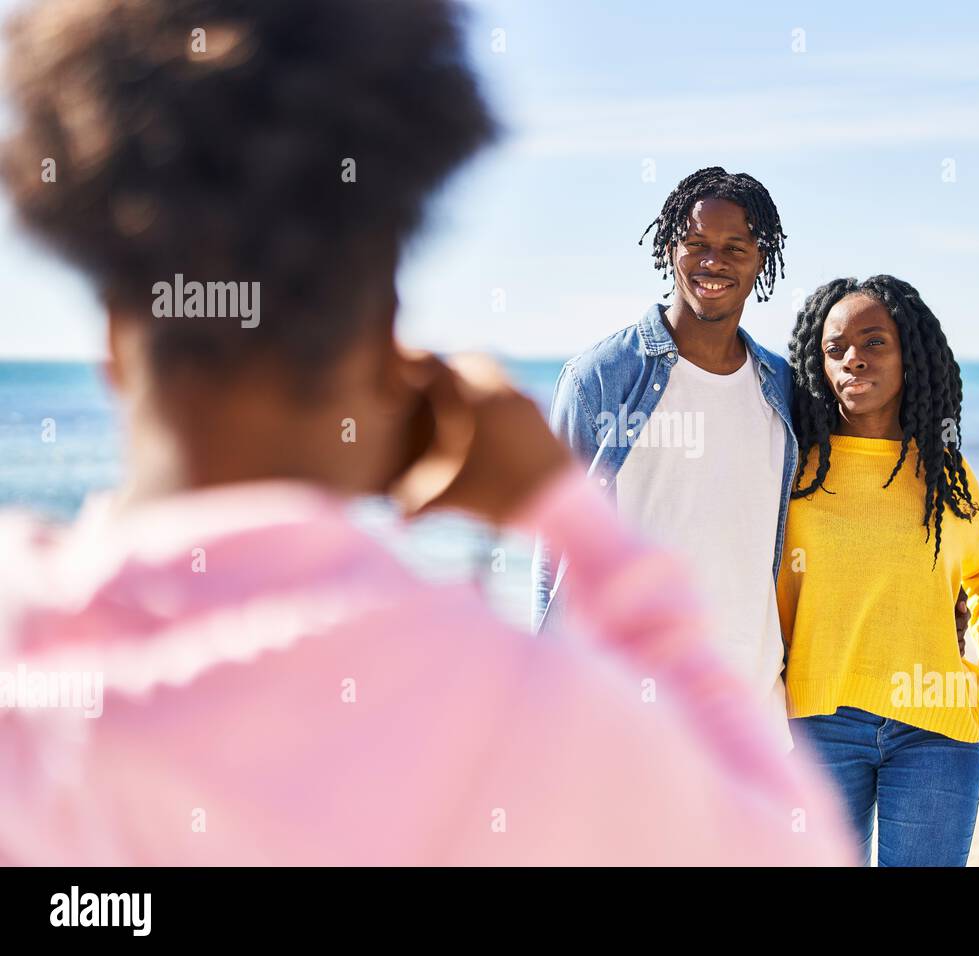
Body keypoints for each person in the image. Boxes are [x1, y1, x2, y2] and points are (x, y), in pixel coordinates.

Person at [0, 0, 855, 866]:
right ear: (391, 339)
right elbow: (790, 838)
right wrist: (569, 519)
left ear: (110, 336)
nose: (714, 259)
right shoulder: (506, 702)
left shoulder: (22, 655)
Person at [531, 168, 971, 754]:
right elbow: (554, 553)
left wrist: (941, 578)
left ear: (762, 261)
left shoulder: (783, 390)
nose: (714, 262)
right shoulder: (601, 381)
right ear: (669, 249)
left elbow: (853, 488)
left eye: (735, 247)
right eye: (697, 244)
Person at [778, 275, 979, 866]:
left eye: (873, 342)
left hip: (935, 726)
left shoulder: (947, 472)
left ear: (911, 355)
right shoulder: (795, 469)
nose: (852, 359)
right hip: (816, 722)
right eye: (835, 349)